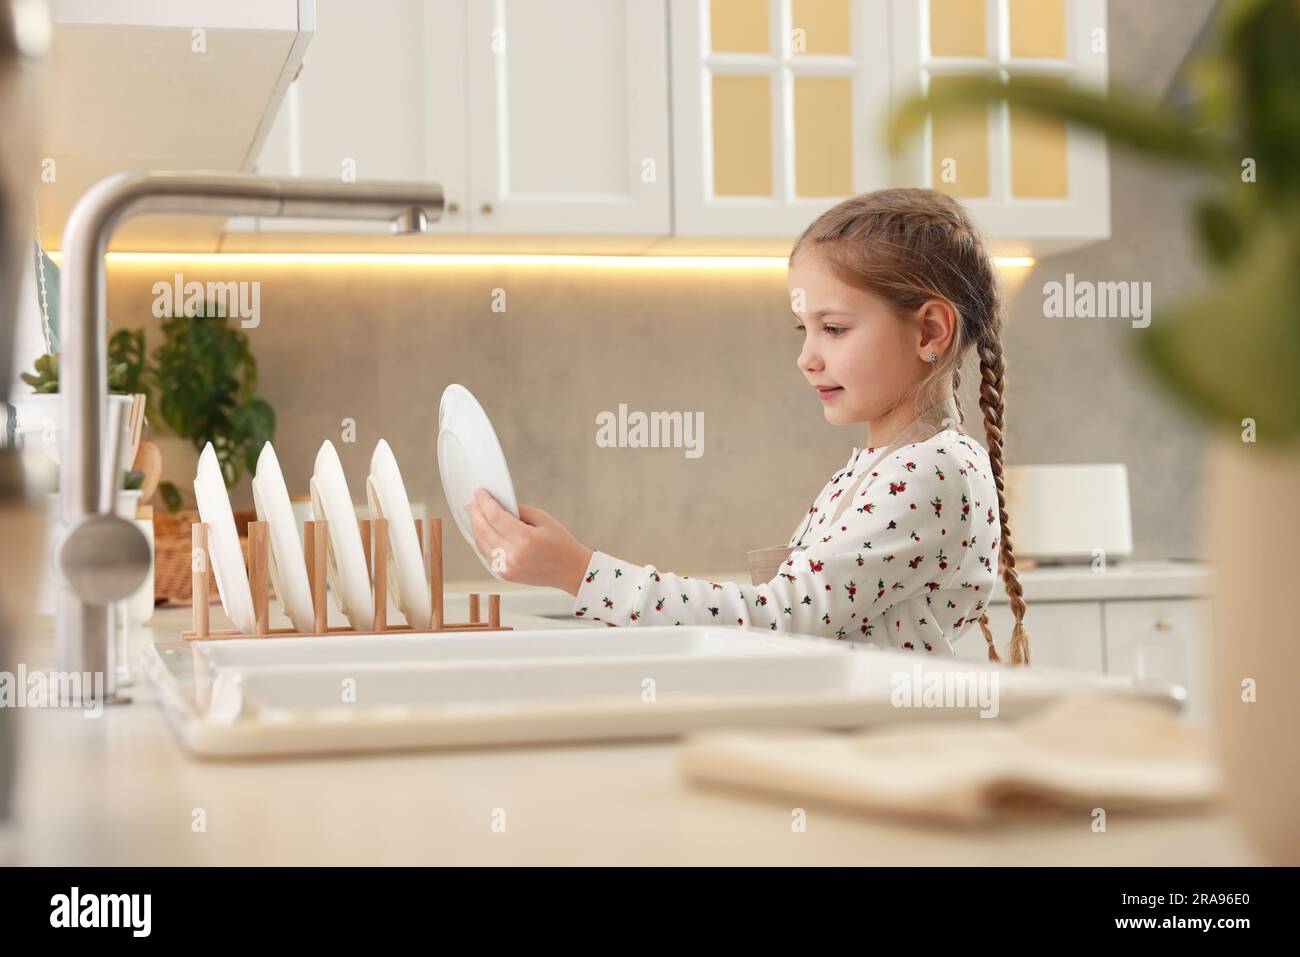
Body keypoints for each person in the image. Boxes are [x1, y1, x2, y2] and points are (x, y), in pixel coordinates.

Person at [468, 188, 1030, 664]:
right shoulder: (888, 465)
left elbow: (776, 619)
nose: (806, 358)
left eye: (833, 328)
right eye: (802, 330)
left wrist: (578, 572)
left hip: (886, 755)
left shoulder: (928, 470)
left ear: (930, 331)